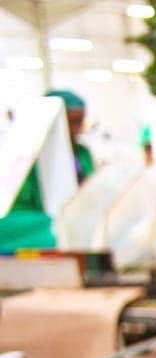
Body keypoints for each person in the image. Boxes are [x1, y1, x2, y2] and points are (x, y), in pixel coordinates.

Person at [0, 89, 94, 253]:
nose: (78, 130)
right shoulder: (26, 157)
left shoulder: (82, 153)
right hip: (35, 223)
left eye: (81, 122)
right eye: (73, 122)